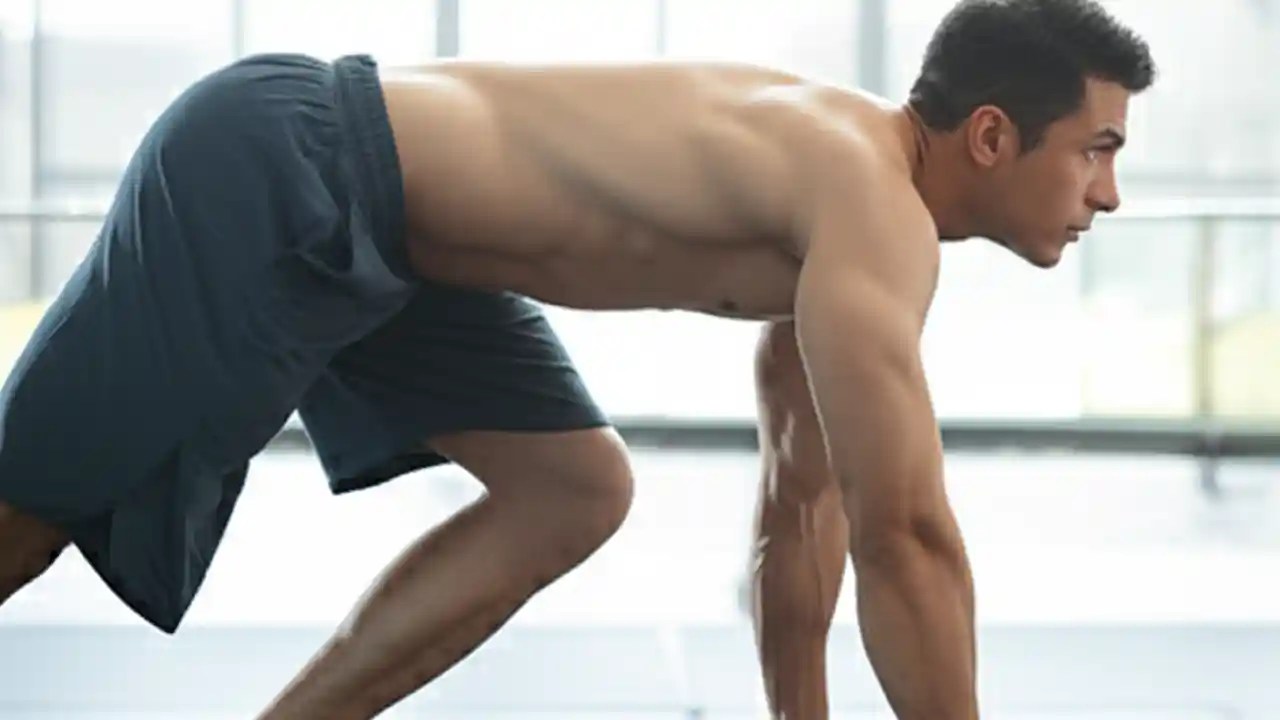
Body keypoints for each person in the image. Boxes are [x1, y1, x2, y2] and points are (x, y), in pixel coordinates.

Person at [0, 0, 1155, 718]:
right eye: (1093, 150)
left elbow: (803, 514)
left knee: (573, 487)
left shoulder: (843, 206)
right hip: (284, 160)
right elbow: (907, 539)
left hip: (397, 238)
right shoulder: (869, 203)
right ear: (991, 135)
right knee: (31, 515)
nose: (1107, 192)